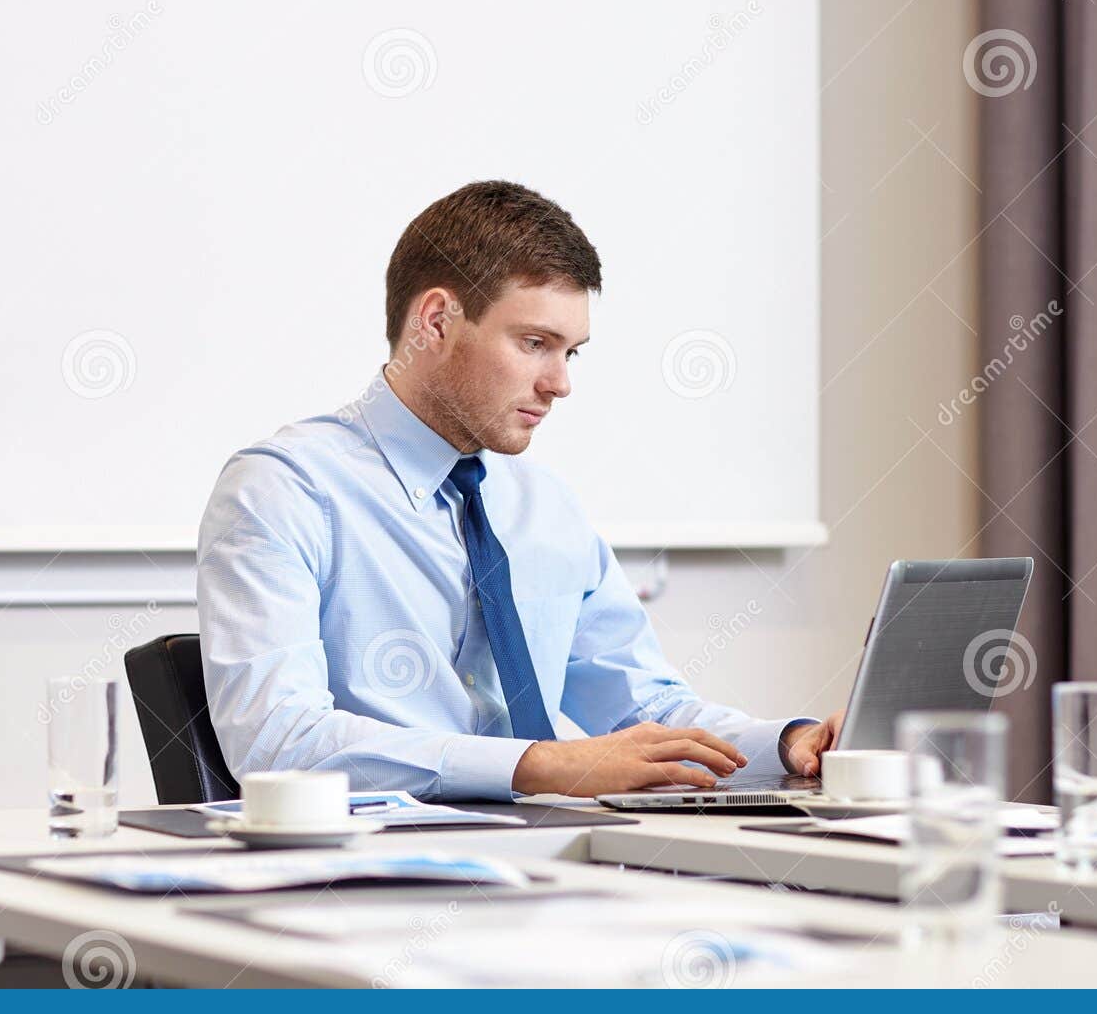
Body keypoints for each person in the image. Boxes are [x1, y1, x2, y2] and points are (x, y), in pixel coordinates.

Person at [197, 180, 842, 801]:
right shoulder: (283, 490)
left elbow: (647, 708)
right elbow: (278, 742)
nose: (559, 384)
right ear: (436, 320)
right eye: (535, 343)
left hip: (558, 858)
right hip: (380, 880)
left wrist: (787, 743)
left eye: (571, 353)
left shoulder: (544, 507)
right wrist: (540, 765)